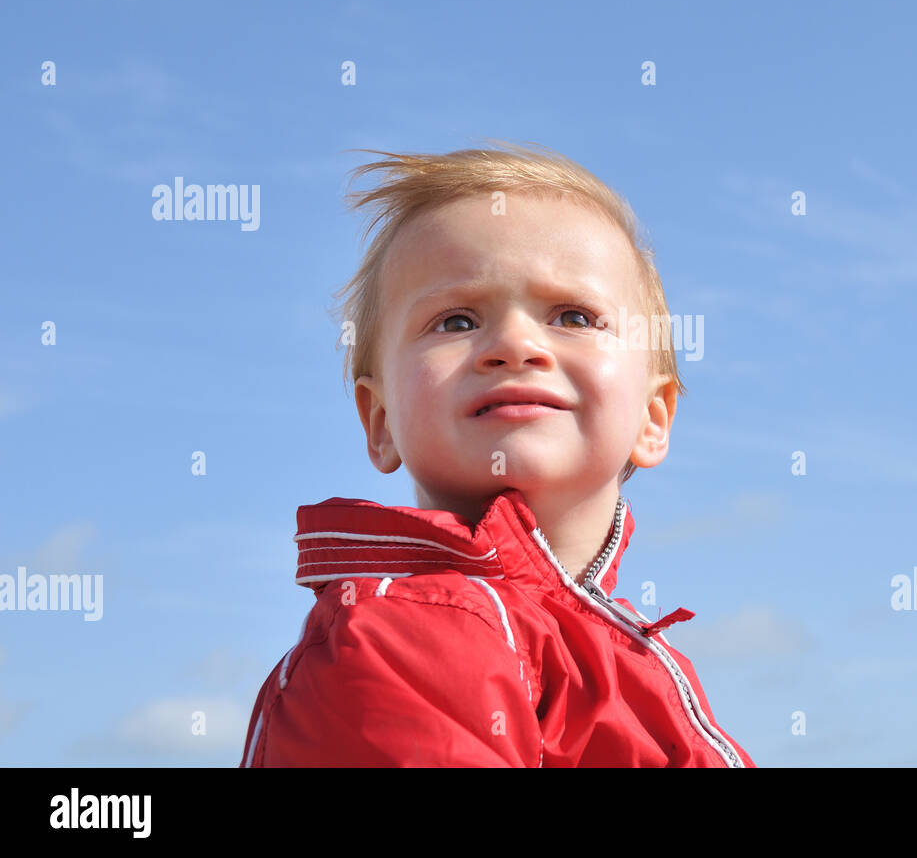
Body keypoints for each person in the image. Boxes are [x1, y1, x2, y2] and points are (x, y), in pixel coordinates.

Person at [238, 141, 755, 767]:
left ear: (653, 416)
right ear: (380, 421)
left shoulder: (634, 659)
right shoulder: (403, 638)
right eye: (456, 322)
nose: (514, 344)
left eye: (572, 315)